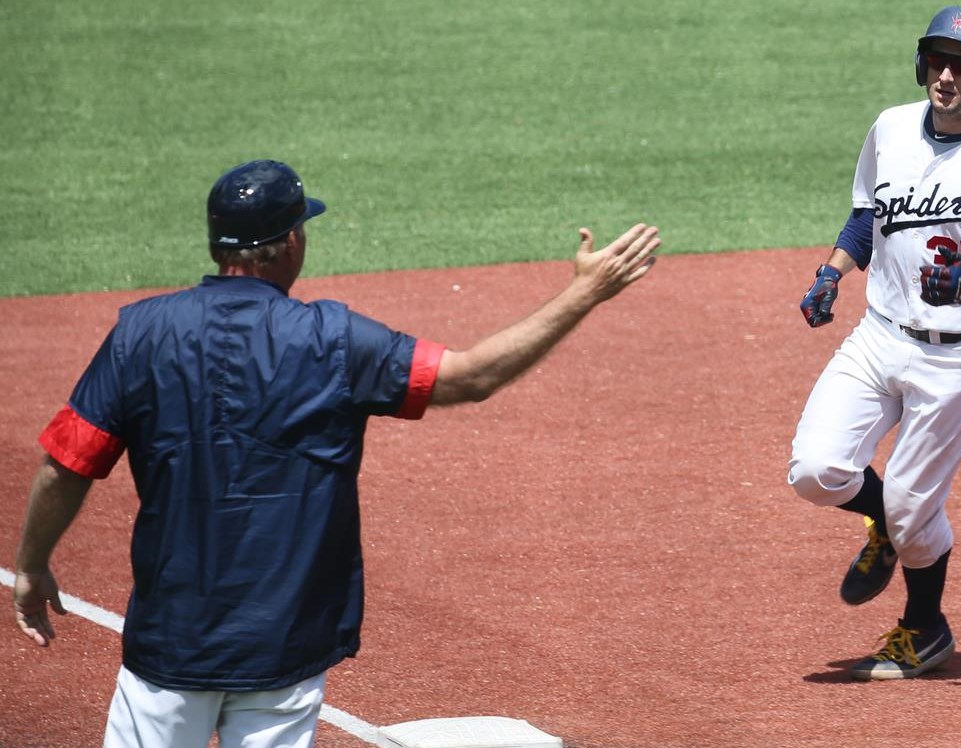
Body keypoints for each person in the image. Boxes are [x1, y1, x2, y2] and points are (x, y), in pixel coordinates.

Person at [12, 159, 660, 746]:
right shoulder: (336, 341)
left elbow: (66, 463)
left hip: (169, 645)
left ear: (217, 245)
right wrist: (585, 292)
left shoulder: (140, 335)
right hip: (282, 647)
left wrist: (33, 564)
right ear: (291, 241)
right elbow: (471, 377)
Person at [788, 6, 961, 680]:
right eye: (937, 61)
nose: (946, 76)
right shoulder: (890, 128)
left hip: (958, 359)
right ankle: (879, 525)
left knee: (915, 514)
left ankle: (924, 628)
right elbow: (867, 215)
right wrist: (831, 272)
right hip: (878, 335)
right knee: (815, 472)